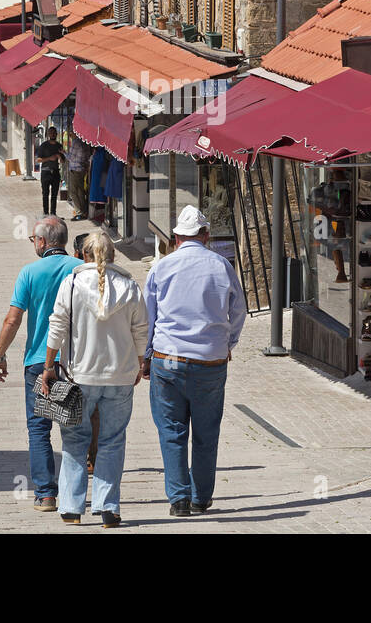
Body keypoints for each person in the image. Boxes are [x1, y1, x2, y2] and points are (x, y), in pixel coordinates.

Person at [143, 205, 247, 516]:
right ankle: (201, 497)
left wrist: (146, 355)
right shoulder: (221, 266)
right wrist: (228, 343)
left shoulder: (161, 267)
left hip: (168, 358)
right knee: (206, 431)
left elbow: (148, 316)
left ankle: (178, 500)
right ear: (206, 236)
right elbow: (239, 310)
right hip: (210, 361)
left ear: (176, 237)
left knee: (172, 430)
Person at [41, 232, 147, 528]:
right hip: (120, 377)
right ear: (112, 256)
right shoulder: (129, 286)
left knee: (75, 440)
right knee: (113, 441)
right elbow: (141, 329)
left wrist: (49, 366)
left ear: (84, 255)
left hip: (78, 376)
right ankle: (108, 507)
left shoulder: (72, 284)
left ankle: (72, 508)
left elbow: (57, 326)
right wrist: (140, 362)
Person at [0, 216, 81, 514]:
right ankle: (74, 494)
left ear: (42, 241)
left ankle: (46, 495)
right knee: (74, 429)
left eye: (33, 239)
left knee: (39, 430)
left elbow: (12, 319)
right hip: (74, 362)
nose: (34, 243)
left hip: (38, 363)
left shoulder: (29, 272)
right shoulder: (79, 269)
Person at [37, 127, 64, 216]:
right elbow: (38, 160)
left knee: (54, 194)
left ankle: (53, 213)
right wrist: (49, 158)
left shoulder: (59, 146)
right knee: (45, 194)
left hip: (56, 172)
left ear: (56, 134)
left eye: (54, 133)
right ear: (48, 134)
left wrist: (60, 157)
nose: (52, 134)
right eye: (51, 133)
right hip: (46, 172)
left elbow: (63, 161)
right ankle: (45, 213)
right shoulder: (44, 146)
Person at [65, 134, 91, 221]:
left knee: (73, 192)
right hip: (82, 169)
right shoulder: (85, 142)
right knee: (80, 191)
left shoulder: (76, 142)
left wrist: (63, 152)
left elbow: (71, 158)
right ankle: (83, 211)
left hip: (75, 169)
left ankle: (79, 212)